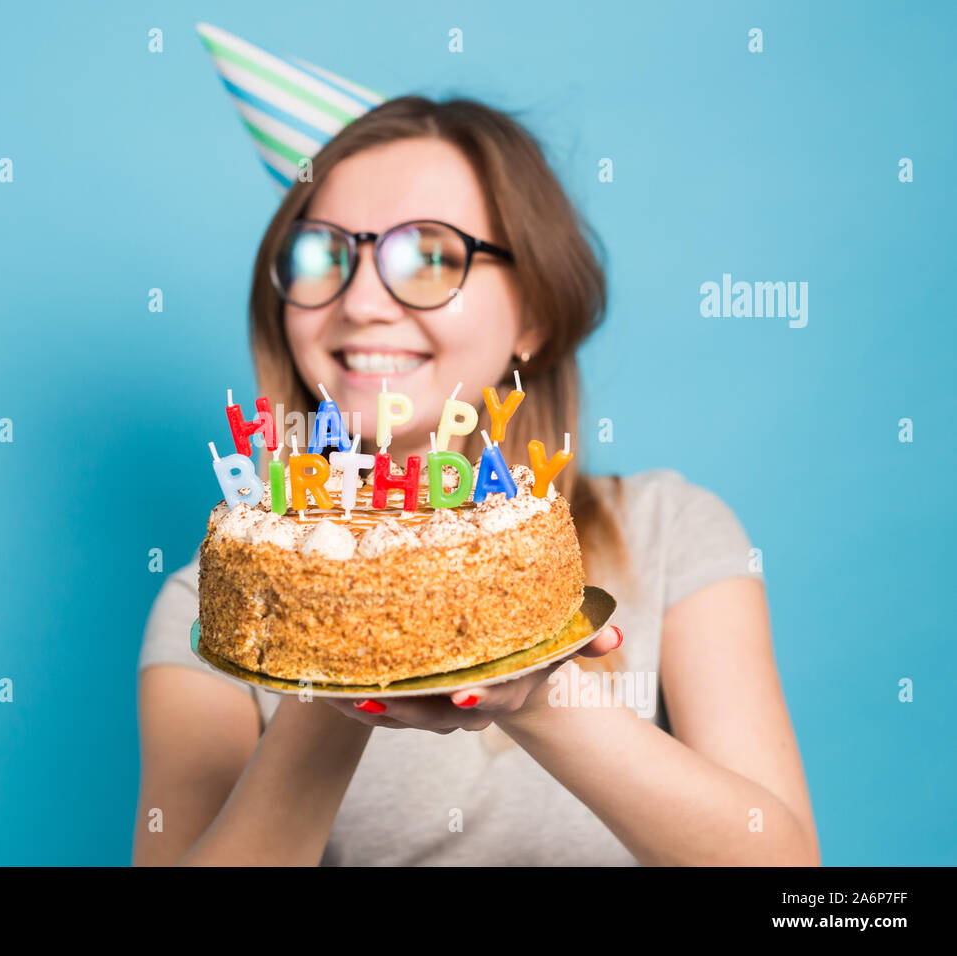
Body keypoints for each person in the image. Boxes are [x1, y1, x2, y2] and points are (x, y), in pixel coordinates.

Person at [133, 96, 819, 866]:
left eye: (428, 256)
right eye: (322, 255)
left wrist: (533, 671)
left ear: (534, 312)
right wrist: (334, 657)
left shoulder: (670, 532)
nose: (359, 304)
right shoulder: (221, 599)